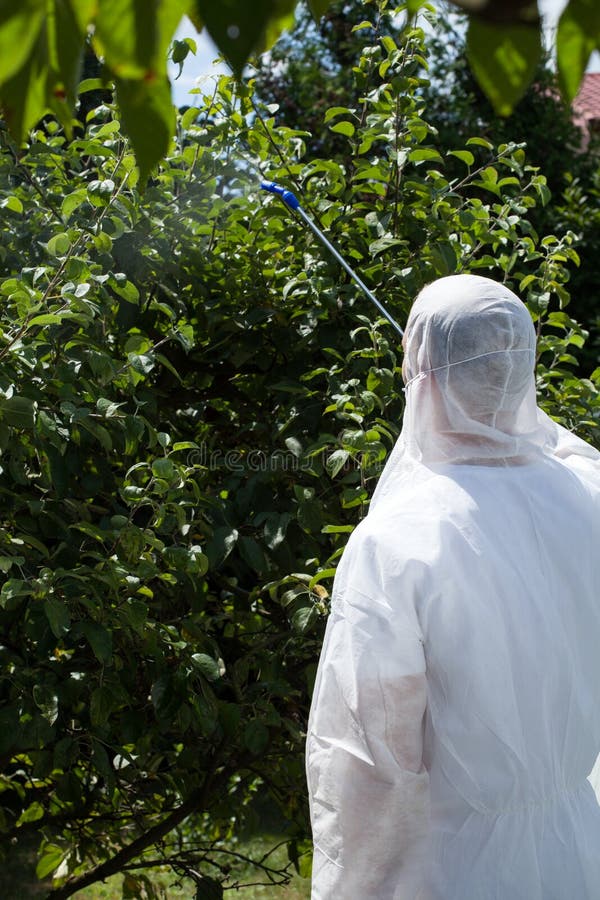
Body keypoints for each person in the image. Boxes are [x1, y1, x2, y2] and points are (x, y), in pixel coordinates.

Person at [305, 274, 600, 899]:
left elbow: (372, 762)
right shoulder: (587, 498)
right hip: (577, 848)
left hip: (455, 868)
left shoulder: (398, 542)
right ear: (521, 372)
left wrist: (352, 888)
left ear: (420, 372)